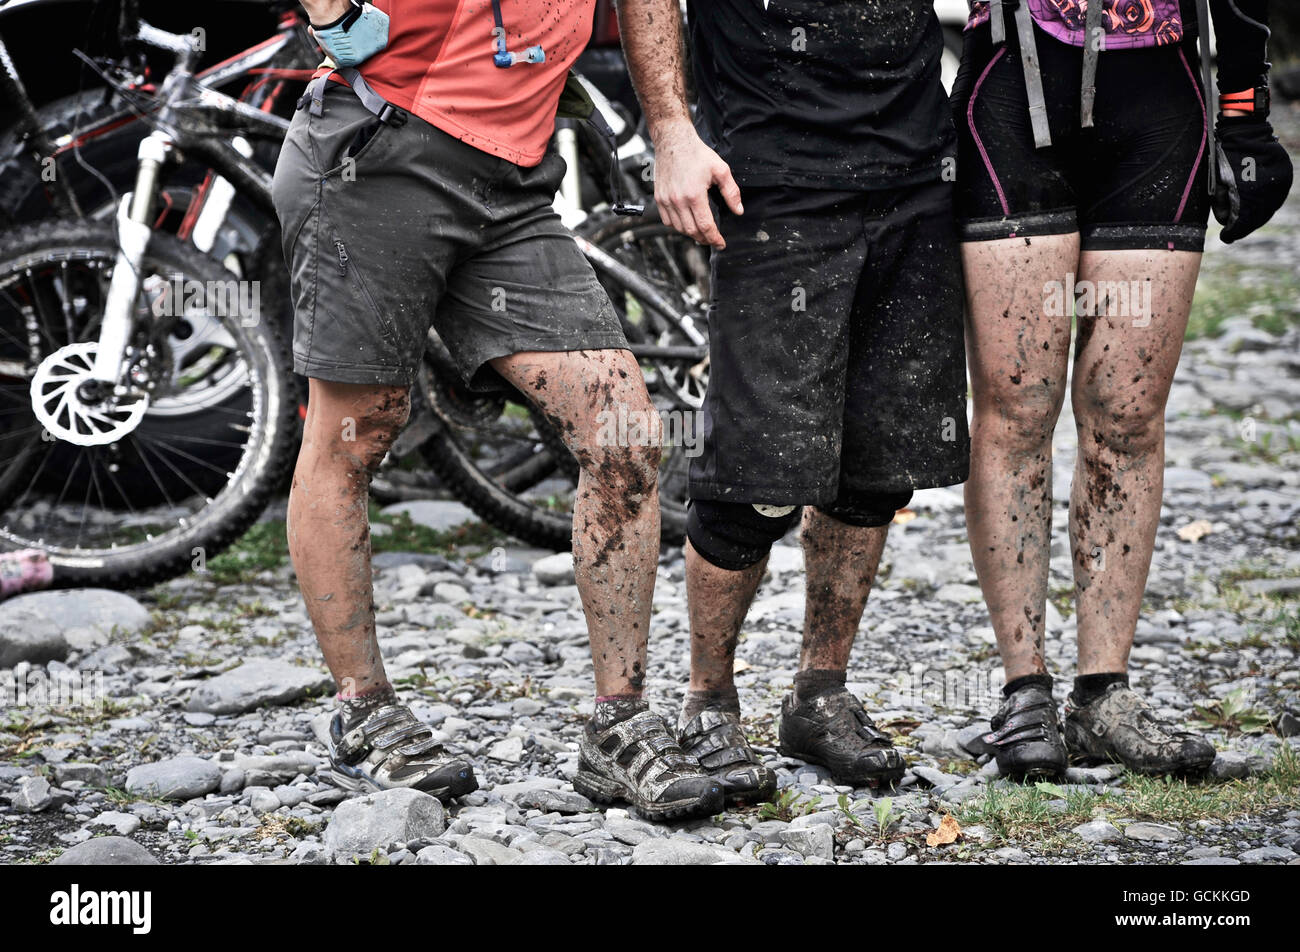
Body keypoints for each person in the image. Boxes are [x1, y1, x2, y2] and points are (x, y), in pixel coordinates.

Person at [273, 0, 723, 820]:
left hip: (513, 181)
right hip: (378, 147)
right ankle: (363, 708)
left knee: (622, 434)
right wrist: (334, 14)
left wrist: (672, 129)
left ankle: (616, 725)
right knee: (354, 432)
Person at [618, 0, 971, 802]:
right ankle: (708, 702)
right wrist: (673, 133)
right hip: (768, 170)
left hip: (915, 164)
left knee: (880, 468)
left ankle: (820, 693)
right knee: (758, 475)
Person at [952, 0, 1292, 777]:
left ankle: (1104, 692)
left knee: (1129, 413)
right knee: (1016, 405)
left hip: (1157, 95)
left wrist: (1244, 112)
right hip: (1014, 84)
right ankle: (1023, 691)